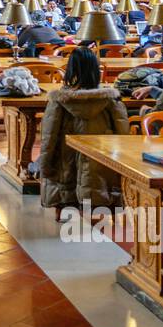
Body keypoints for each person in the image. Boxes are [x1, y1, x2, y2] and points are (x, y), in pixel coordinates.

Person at [38, 46, 130, 212]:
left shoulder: (59, 100)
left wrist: (45, 165)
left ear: (70, 69)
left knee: (65, 165)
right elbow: (123, 135)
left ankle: (67, 205)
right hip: (102, 162)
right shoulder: (111, 100)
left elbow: (49, 136)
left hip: (65, 163)